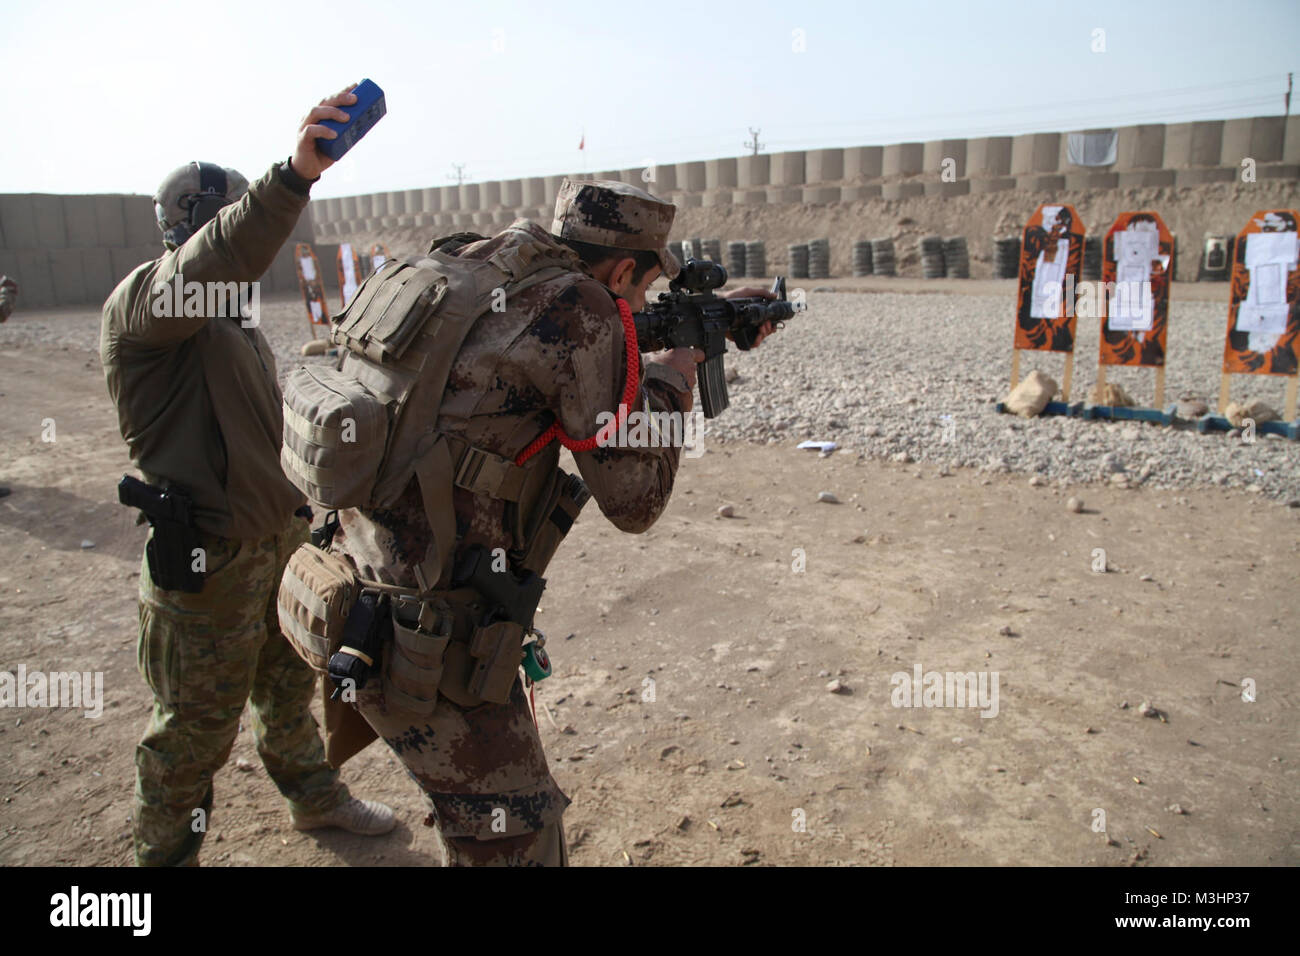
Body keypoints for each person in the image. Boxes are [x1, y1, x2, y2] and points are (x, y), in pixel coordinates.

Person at [328, 178, 772, 865]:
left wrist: (699, 322)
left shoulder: (469, 266)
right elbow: (634, 501)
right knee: (515, 834)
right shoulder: (577, 307)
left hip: (354, 581)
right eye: (643, 289)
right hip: (430, 633)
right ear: (623, 270)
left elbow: (537, 357)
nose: (639, 306)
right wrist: (676, 371)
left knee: (480, 820)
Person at [100, 84, 395, 866]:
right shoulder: (147, 305)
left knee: (287, 693)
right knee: (194, 732)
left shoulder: (228, 317)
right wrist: (292, 178)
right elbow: (218, 257)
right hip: (207, 562)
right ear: (194, 232)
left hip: (273, 544)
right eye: (226, 222)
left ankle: (315, 801)